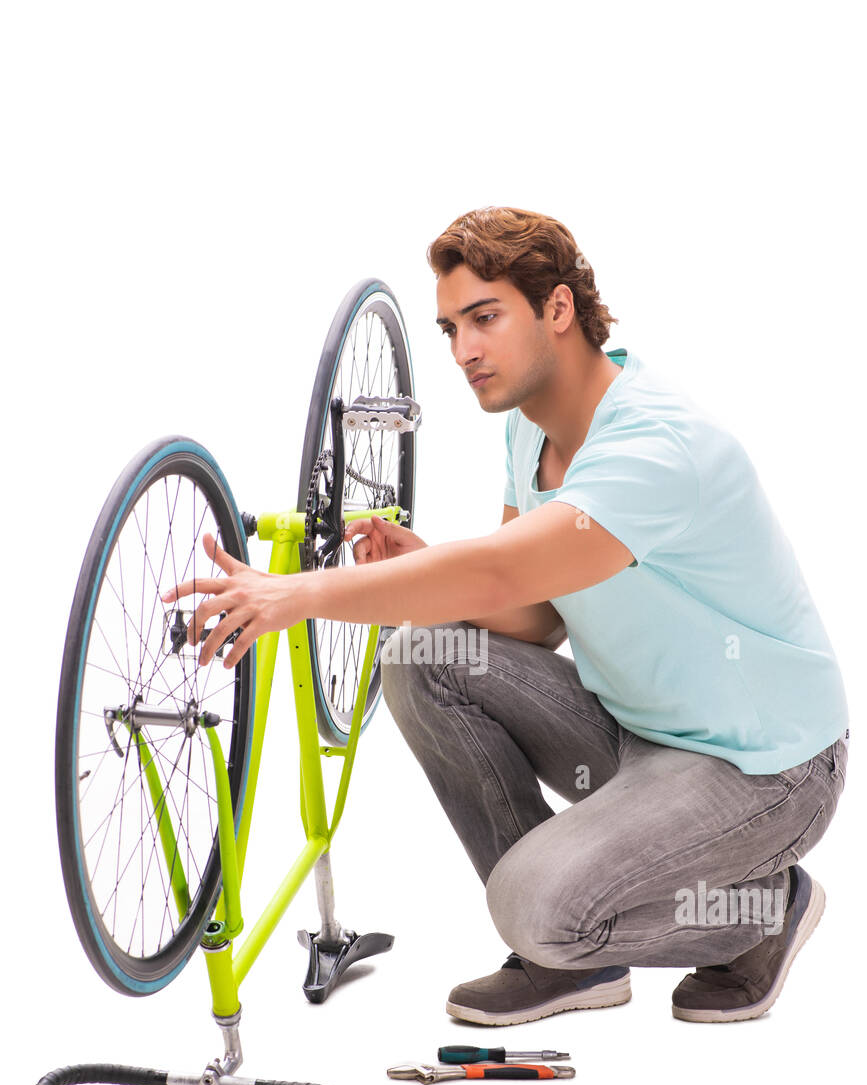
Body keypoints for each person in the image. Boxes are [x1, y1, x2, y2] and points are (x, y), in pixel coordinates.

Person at [163, 205, 849, 1027]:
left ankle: (757, 916)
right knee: (422, 657)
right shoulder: (532, 432)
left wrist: (294, 596)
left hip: (763, 770)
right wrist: (421, 565)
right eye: (451, 328)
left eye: (484, 319)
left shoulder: (655, 446)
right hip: (636, 737)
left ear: (557, 309)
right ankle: (564, 963)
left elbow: (495, 572)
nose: (463, 352)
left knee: (533, 907)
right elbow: (532, 612)